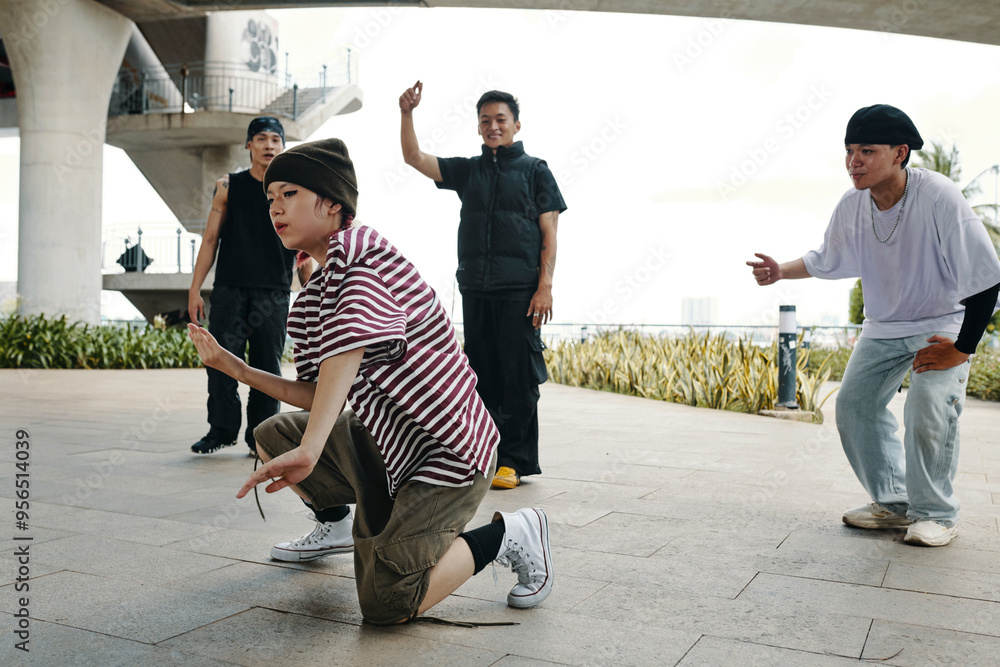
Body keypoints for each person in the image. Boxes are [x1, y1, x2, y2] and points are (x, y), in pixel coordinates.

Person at [187, 138, 554, 624]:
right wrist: (235, 368)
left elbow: (348, 347)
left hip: (448, 454)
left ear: (332, 202)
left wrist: (313, 449)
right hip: (390, 441)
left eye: (289, 194)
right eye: (270, 197)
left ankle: (511, 534)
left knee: (388, 604)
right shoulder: (321, 283)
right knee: (274, 435)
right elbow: (322, 393)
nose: (274, 207)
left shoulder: (362, 256)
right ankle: (338, 527)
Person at [748, 104, 1000, 547]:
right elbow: (827, 258)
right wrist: (779, 271)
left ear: (900, 153)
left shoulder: (939, 196)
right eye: (848, 151)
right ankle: (894, 504)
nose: (853, 162)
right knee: (854, 407)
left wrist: (962, 348)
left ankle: (937, 514)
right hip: (882, 327)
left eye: (867, 151)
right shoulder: (852, 205)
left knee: (926, 410)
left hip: (940, 323)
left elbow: (986, 276)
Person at [188, 117, 353, 563]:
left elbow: (307, 256)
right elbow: (209, 239)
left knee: (265, 362)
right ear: (248, 146)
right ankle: (220, 429)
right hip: (231, 288)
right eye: (261, 138)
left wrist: (318, 289)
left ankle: (255, 440)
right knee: (220, 361)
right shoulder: (232, 186)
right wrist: (195, 288)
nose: (268, 145)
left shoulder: (298, 197)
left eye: (276, 139)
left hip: (275, 292)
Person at [399, 81, 567, 489]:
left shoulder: (535, 170)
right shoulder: (468, 170)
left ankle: (513, 460)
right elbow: (414, 157)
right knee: (481, 376)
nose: (493, 126)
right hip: (476, 288)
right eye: (485, 120)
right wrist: (407, 113)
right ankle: (486, 455)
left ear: (516, 125)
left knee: (519, 375)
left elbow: (550, 233)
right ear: (478, 128)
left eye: (501, 120)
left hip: (520, 291)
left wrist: (544, 286)